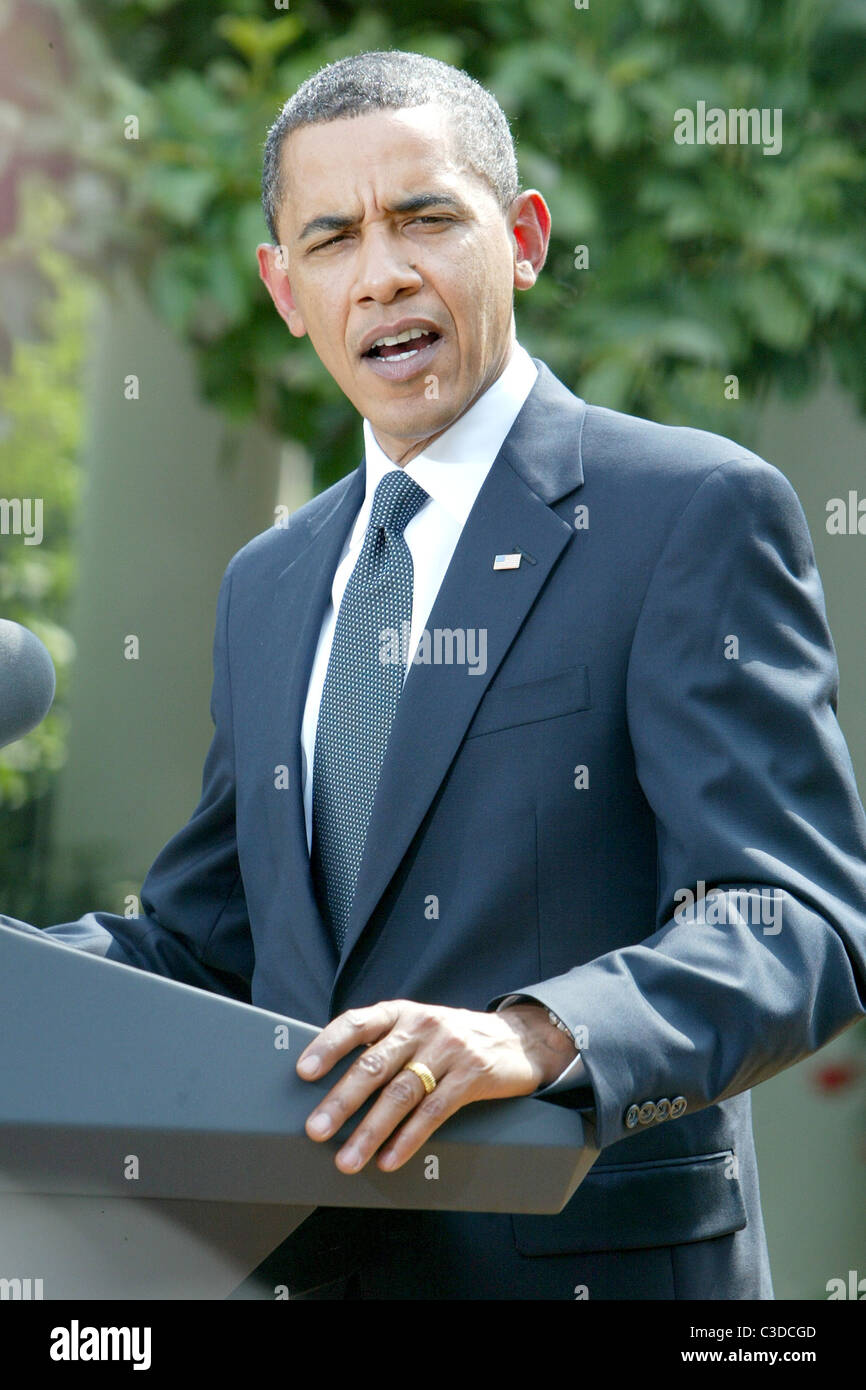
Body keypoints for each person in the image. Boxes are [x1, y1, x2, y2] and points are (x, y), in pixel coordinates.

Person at [5, 49, 866, 1300]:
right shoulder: (269, 581)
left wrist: (532, 1033)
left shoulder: (687, 512)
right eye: (333, 239)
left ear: (520, 239)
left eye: (425, 220)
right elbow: (206, 943)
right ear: (284, 289)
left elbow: (790, 920)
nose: (383, 273)